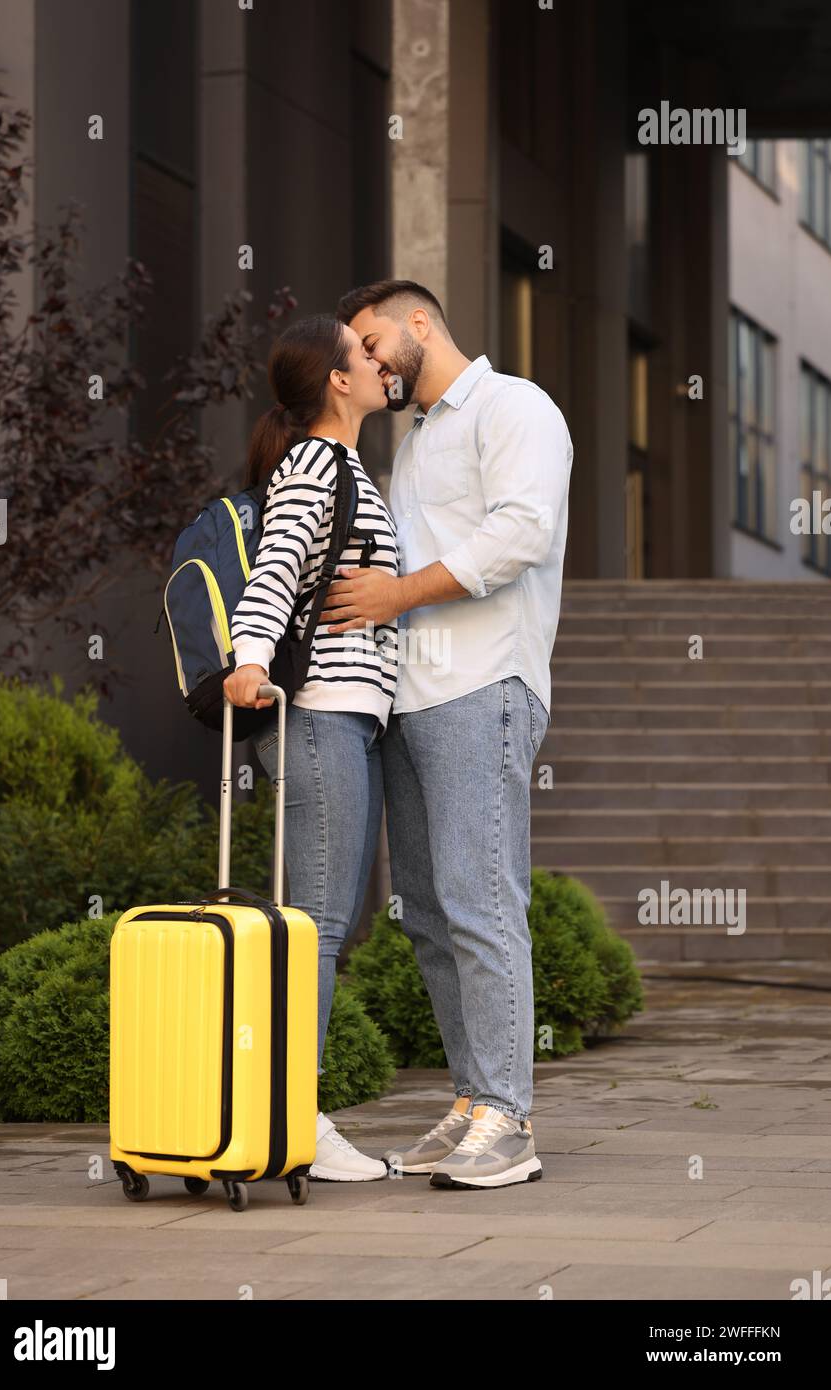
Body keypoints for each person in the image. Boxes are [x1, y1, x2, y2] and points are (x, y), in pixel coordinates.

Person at [322, 280, 573, 1189]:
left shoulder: (515, 407)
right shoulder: (416, 444)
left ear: (419, 321)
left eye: (372, 339)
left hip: (483, 684)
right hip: (409, 699)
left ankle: (509, 1120)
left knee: (479, 901)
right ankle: (473, 1101)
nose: (367, 360)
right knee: (427, 915)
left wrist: (395, 593)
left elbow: (521, 534)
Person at [223, 314, 398, 1181]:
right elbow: (275, 567)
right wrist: (248, 661)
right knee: (318, 926)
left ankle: (288, 1111)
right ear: (336, 380)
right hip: (318, 713)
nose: (378, 362)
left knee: (326, 922)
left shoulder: (344, 464)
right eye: (363, 353)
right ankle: (298, 1119)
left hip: (347, 717)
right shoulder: (315, 463)